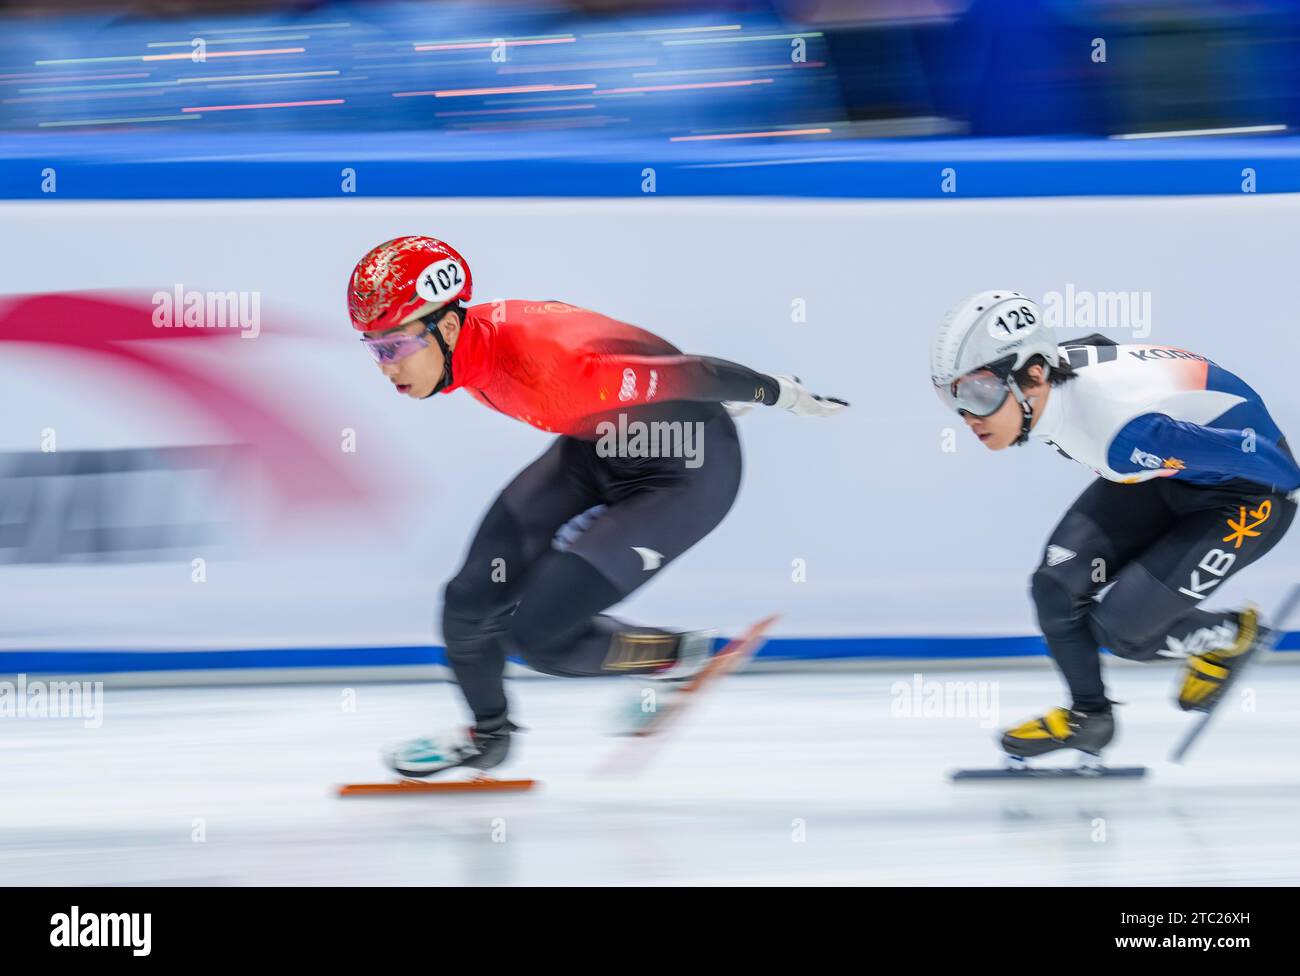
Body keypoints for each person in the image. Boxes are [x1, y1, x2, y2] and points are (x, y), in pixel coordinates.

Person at [347, 236, 847, 777]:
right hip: (598, 446)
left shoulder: (557, 359)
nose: (385, 366)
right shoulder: (470, 349)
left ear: (445, 328)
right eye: (374, 349)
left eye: (393, 347)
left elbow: (690, 373)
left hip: (688, 474)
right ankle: (488, 738)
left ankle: (677, 656)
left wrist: (779, 392)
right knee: (469, 600)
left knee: (540, 636)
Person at [931, 290, 1299, 760]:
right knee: (1055, 588)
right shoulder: (1062, 388)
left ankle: (1230, 634)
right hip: (1170, 471)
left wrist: (1293, 478)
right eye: (953, 396)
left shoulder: (1119, 435)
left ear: (1036, 375)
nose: (967, 416)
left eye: (978, 393)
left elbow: (1253, 454)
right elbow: (1104, 346)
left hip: (1251, 494)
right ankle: (1090, 718)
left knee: (1123, 632)